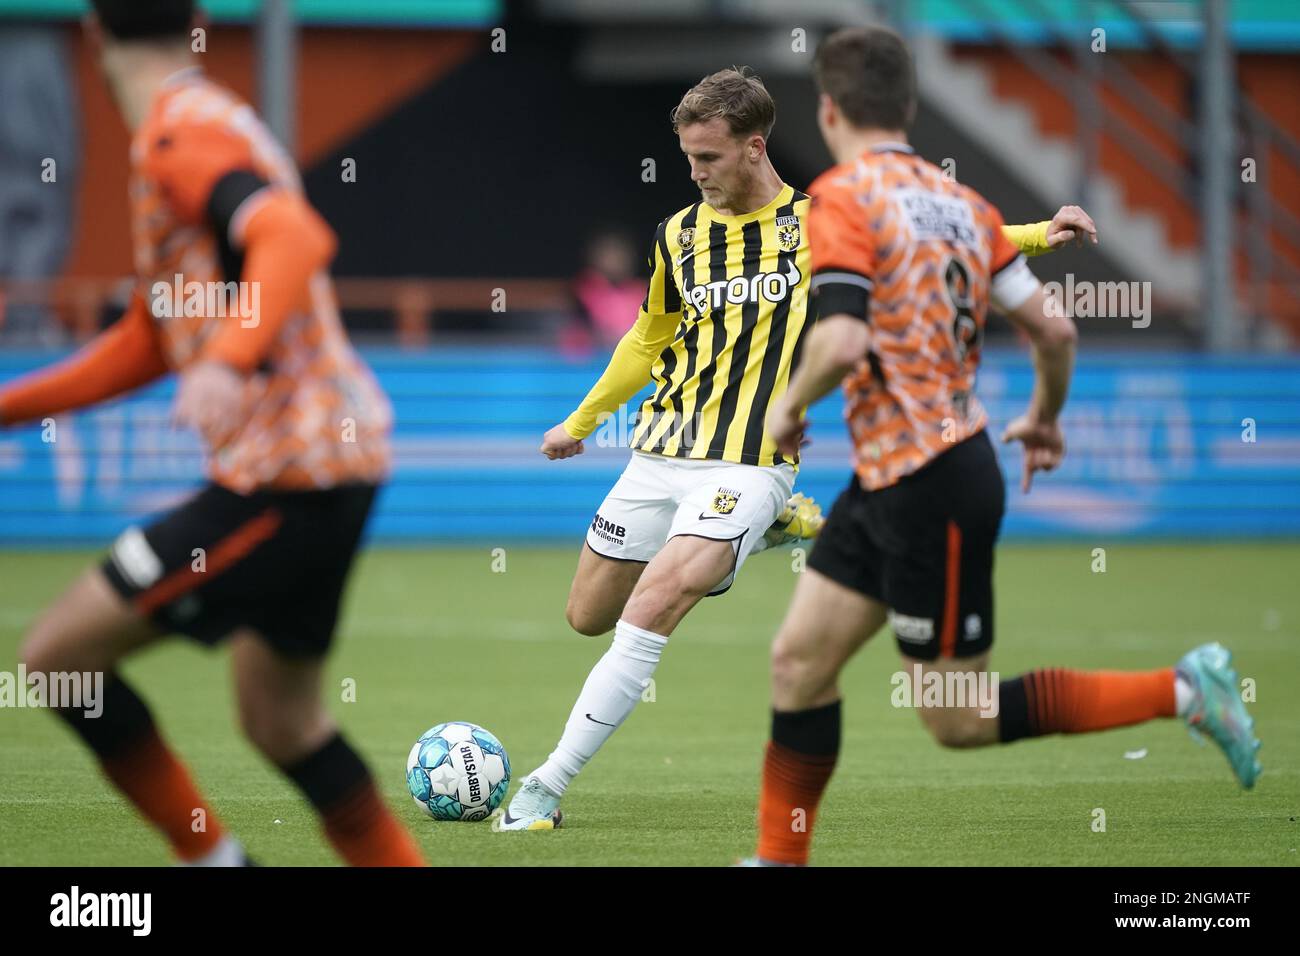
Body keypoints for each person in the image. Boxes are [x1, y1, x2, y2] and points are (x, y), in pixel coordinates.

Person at [744, 26, 1260, 867]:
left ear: (828, 109)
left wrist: (788, 409)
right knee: (798, 662)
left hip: (932, 488)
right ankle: (777, 859)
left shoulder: (842, 196)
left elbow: (839, 343)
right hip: (897, 479)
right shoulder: (963, 206)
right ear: (908, 107)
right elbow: (1054, 329)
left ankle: (1182, 691)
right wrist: (1047, 417)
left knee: (957, 716)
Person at [2, 0, 422, 866]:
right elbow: (149, 341)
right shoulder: (216, 117)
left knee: (56, 660)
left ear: (91, 31)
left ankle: (214, 861)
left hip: (287, 473)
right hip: (330, 463)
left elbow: (292, 234)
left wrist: (227, 359)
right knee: (282, 722)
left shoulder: (175, 134)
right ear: (195, 21)